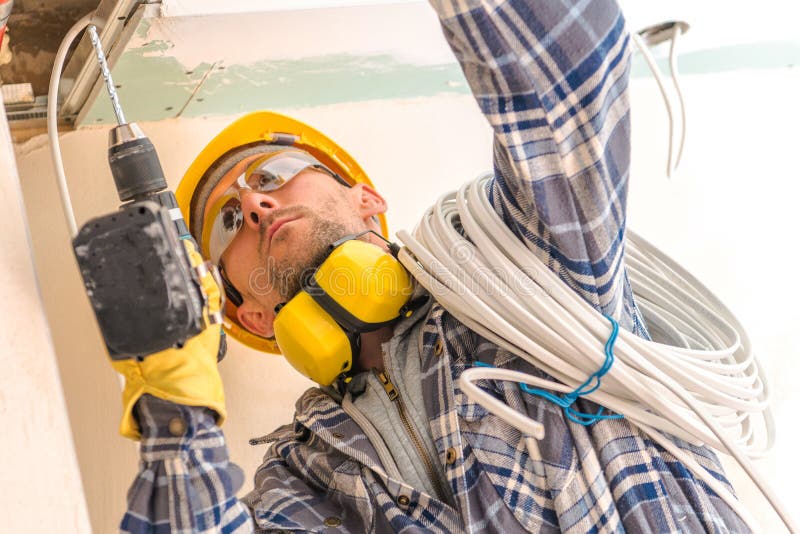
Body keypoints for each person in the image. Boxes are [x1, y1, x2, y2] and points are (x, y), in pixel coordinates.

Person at [115, 0, 748, 532]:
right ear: (247, 313)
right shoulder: (303, 480)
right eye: (227, 222)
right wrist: (176, 406)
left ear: (367, 200)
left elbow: (569, 84)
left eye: (272, 173)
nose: (254, 204)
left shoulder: (520, 273)